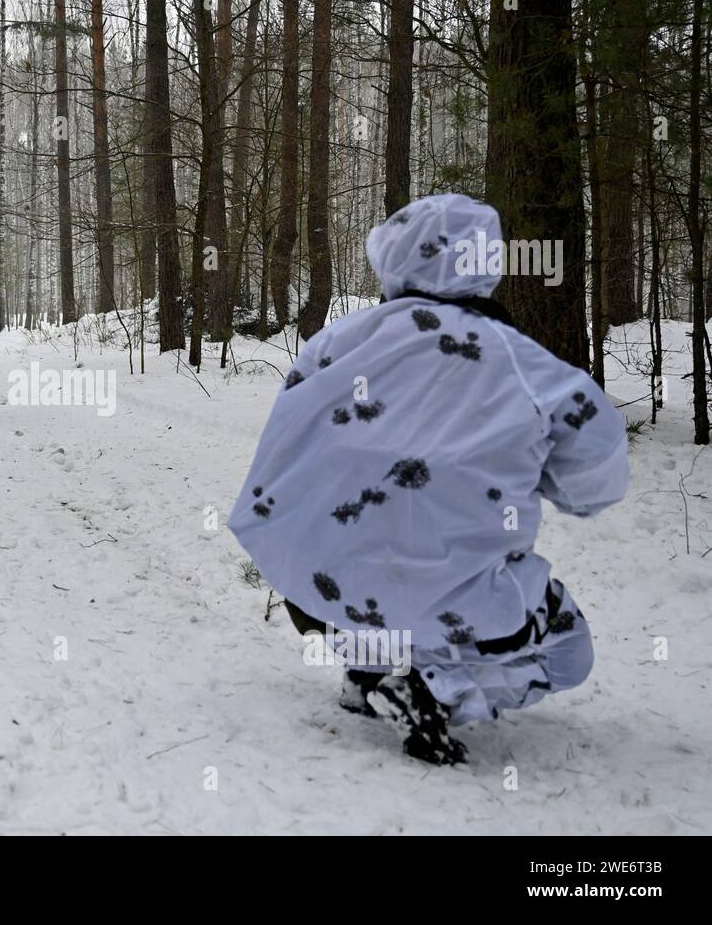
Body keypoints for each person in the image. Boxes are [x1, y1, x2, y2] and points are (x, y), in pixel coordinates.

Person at [229, 193, 628, 765]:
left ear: (394, 260)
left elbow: (289, 452)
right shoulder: (524, 364)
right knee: (568, 652)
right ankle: (431, 692)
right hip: (462, 601)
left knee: (377, 551)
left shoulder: (336, 345)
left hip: (328, 592)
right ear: (485, 263)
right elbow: (597, 476)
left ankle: (364, 666)